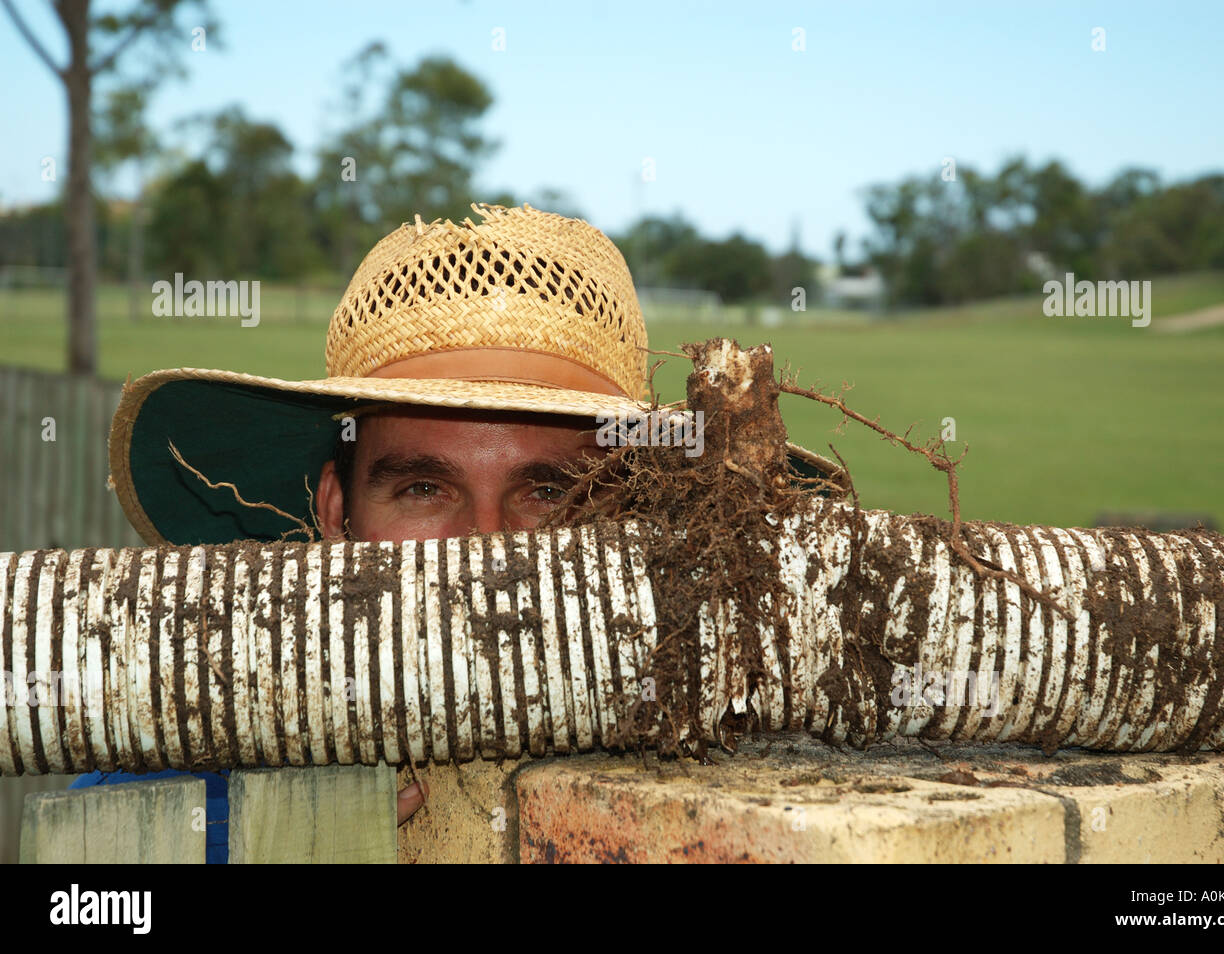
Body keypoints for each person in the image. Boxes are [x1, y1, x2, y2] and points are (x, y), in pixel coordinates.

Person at [77, 203, 833, 862]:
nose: (486, 548)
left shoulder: (739, 781)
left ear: (630, 520)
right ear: (337, 517)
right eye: (423, 487)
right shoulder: (166, 799)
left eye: (547, 491)